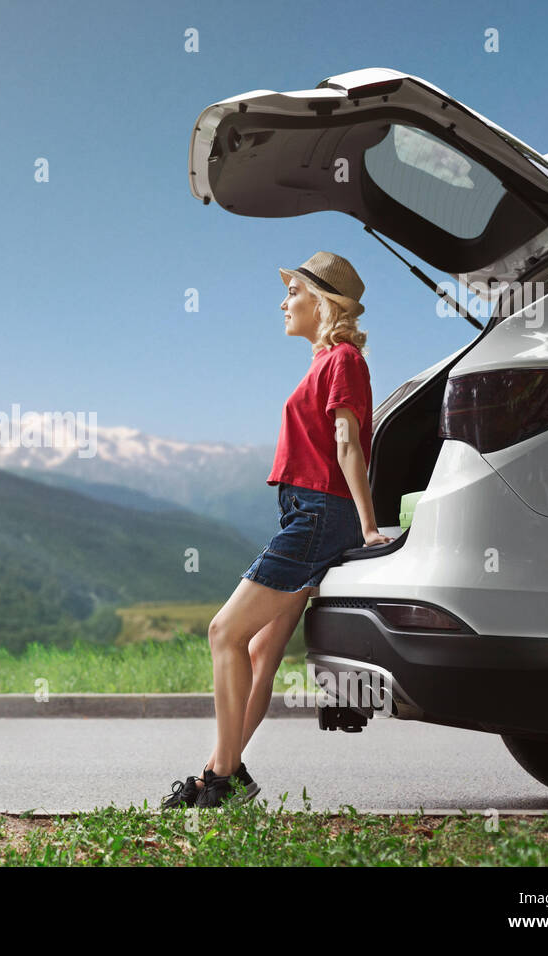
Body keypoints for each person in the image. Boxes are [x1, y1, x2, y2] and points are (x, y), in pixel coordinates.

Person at [160, 251, 395, 810]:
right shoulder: (326, 362)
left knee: (224, 633)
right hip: (308, 511)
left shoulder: (342, 361)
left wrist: (366, 526)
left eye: (293, 292)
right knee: (263, 649)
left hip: (317, 513)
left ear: (322, 300)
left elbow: (348, 443)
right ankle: (225, 774)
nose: (283, 302)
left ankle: (220, 777)